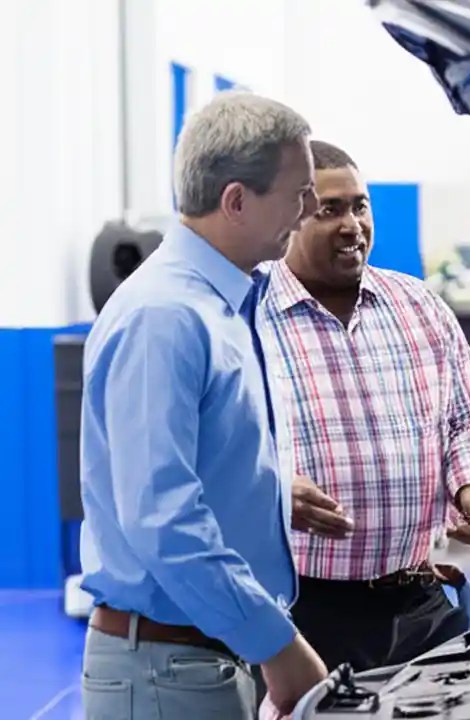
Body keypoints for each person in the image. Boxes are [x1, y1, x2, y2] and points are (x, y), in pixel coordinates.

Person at [77, 91, 328, 719]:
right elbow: (162, 518)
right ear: (236, 201)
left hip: (203, 657)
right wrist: (278, 644)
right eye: (299, 192)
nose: (313, 209)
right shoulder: (165, 317)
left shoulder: (228, 303)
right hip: (166, 667)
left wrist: (262, 492)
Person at [256, 139, 470, 673]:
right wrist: (273, 490)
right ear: (289, 219)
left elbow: (467, 417)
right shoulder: (249, 322)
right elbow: (214, 452)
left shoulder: (418, 306)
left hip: (422, 601)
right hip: (305, 611)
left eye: (359, 206)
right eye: (329, 210)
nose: (351, 225)